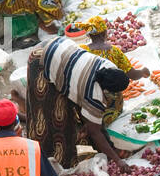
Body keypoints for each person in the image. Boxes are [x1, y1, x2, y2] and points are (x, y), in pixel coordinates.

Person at [25, 33, 131, 166]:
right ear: (106, 90)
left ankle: (106, 149)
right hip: (41, 60)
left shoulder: (108, 67)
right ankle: (52, 159)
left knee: (76, 112)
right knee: (53, 115)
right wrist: (118, 160)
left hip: (59, 45)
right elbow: (95, 132)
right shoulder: (94, 94)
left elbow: (95, 121)